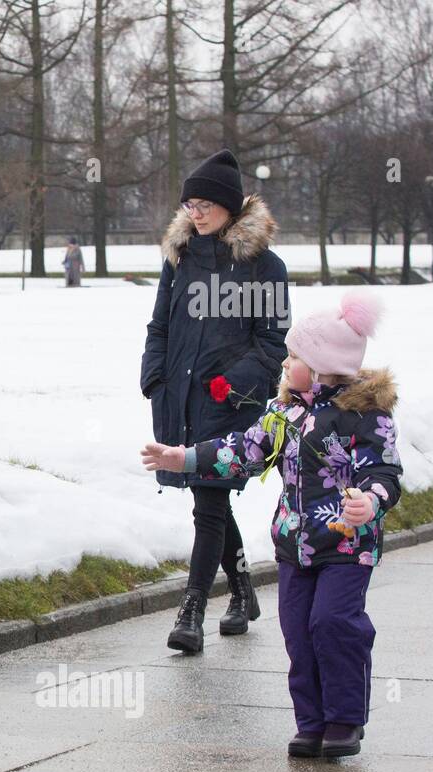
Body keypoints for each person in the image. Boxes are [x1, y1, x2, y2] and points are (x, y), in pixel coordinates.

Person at [141, 291, 401, 758]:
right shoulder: (284, 414)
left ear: (322, 366)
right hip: (294, 546)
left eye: (295, 355)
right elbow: (243, 450)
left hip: (347, 543)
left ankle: (344, 719)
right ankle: (312, 721)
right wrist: (186, 457)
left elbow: (384, 472)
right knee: (299, 630)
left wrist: (370, 501)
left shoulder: (365, 415)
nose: (285, 362)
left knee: (334, 622)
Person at [140, 148, 290, 654]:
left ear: (229, 207)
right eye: (189, 204)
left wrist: (235, 384)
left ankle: (193, 609)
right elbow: (160, 325)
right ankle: (244, 591)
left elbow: (273, 345)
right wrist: (153, 379)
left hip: (229, 405)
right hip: (179, 398)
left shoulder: (264, 267)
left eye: (204, 203)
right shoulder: (179, 259)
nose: (194, 213)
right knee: (213, 498)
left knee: (208, 501)